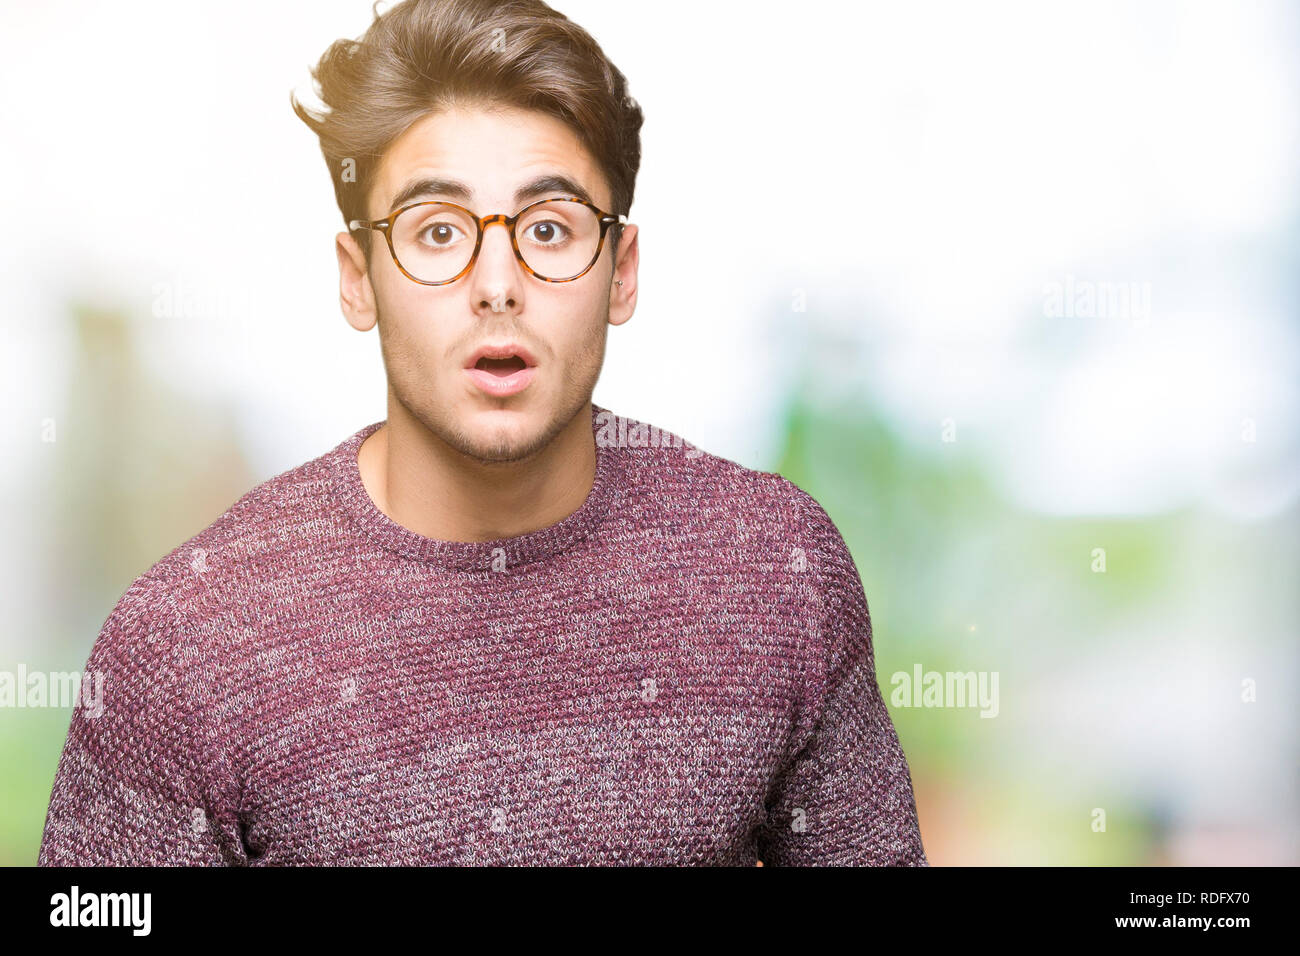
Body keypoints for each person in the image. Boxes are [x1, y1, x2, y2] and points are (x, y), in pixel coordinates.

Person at [37, 0, 927, 866]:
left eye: (548, 228)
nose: (497, 284)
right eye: (436, 232)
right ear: (358, 279)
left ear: (622, 273)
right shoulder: (186, 644)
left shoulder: (775, 570)